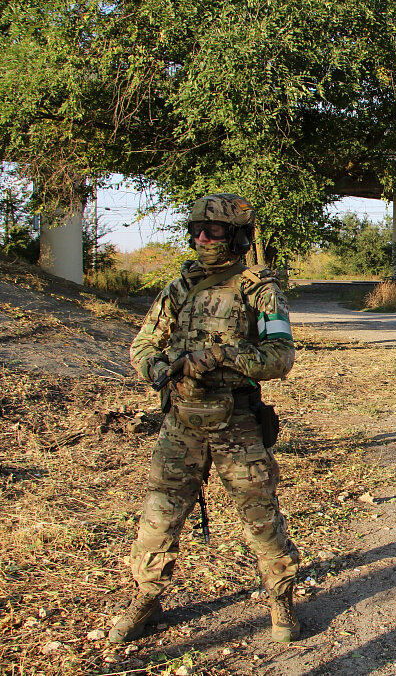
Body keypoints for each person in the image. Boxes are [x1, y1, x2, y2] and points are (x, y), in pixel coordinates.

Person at [110, 193, 302, 644]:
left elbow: (280, 357)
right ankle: (146, 596)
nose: (201, 237)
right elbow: (142, 345)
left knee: (259, 514)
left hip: (235, 421)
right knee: (159, 513)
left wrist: (221, 357)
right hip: (181, 420)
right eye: (196, 229)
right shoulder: (180, 288)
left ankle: (281, 596)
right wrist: (163, 369)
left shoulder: (258, 288)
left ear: (234, 236)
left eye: (212, 230)